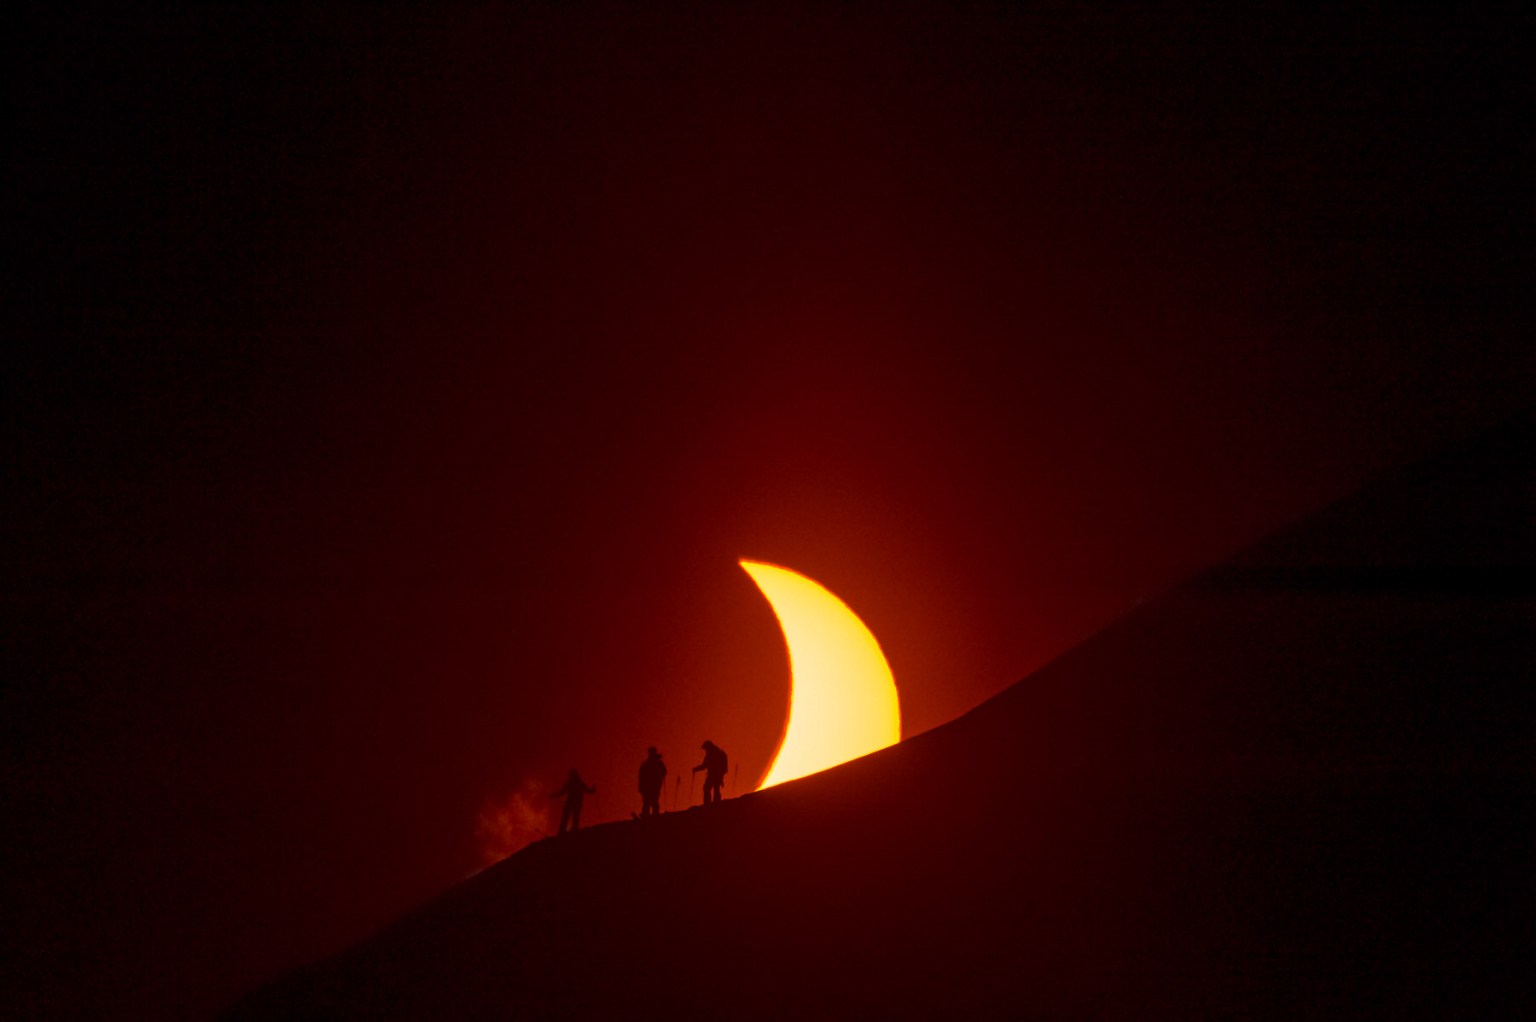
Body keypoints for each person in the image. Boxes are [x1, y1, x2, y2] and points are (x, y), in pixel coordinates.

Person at [552, 768, 595, 835]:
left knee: (574, 816)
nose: (571, 777)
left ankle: (573, 830)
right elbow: (561, 793)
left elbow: (589, 791)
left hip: (575, 803)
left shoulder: (578, 784)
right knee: (567, 816)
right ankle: (564, 830)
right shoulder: (574, 784)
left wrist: (593, 789)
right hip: (571, 803)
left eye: (572, 775)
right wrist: (554, 795)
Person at [692, 740, 728, 805]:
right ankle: (711, 803)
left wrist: (719, 776)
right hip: (714, 774)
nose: (705, 751)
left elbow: (716, 766)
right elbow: (704, 765)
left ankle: (712, 804)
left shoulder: (715, 753)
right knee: (711, 788)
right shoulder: (711, 754)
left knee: (711, 788)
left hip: (716, 774)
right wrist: (696, 769)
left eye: (706, 749)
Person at [638, 747, 667, 817]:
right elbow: (664, 771)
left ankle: (650, 814)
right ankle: (651, 814)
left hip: (652, 785)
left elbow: (641, 775)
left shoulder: (647, 763)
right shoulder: (655, 763)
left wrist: (641, 786)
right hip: (651, 785)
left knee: (651, 800)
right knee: (650, 800)